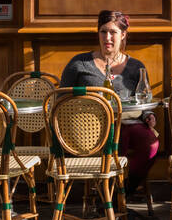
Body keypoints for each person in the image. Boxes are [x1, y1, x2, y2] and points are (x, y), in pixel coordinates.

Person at [60, 10, 159, 198]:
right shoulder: (79, 63)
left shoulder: (136, 66)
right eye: (103, 32)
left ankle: (124, 191)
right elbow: (61, 99)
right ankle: (108, 196)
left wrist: (148, 114)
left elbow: (144, 99)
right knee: (117, 139)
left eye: (113, 32)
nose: (107, 37)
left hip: (129, 122)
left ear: (123, 35)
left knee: (151, 145)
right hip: (90, 129)